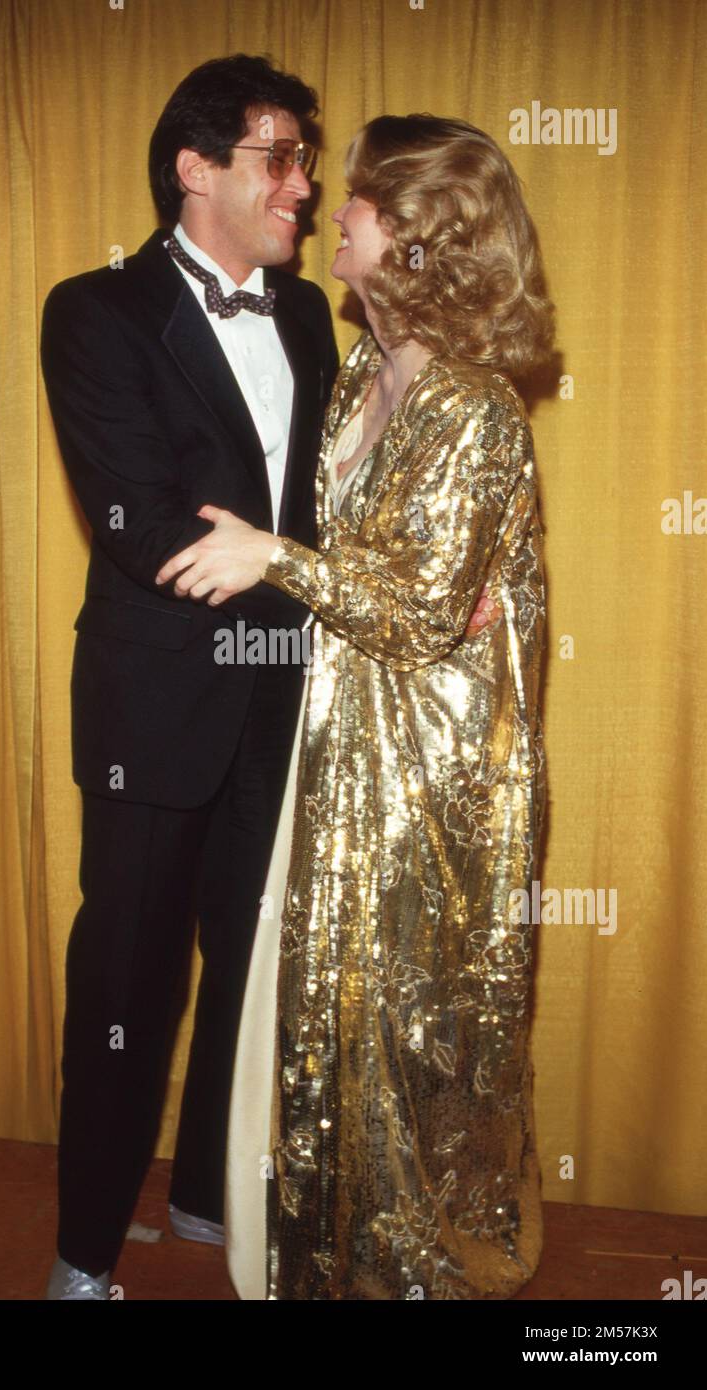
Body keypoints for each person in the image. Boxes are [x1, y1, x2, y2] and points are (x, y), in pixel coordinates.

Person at [157, 113, 555, 1299]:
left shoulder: (475, 411)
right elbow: (380, 584)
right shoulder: (357, 389)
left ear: (418, 240)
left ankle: (407, 1257)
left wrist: (274, 558)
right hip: (337, 759)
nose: (334, 211)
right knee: (328, 1013)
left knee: (406, 1025)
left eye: (366, 203)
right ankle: (324, 1249)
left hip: (429, 788)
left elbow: (425, 614)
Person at [39, 54, 339, 1300]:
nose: (304, 188)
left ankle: (213, 1196)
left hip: (286, 696)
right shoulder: (95, 310)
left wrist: (380, 590)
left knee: (256, 960)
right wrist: (298, 570)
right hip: (155, 708)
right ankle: (84, 1252)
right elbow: (140, 522)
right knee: (127, 976)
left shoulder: (314, 313)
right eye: (279, 158)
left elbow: (327, 508)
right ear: (195, 167)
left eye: (306, 163)